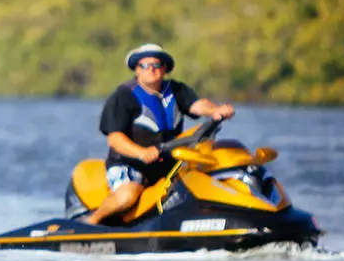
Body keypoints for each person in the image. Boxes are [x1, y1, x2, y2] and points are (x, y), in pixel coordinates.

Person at [84, 43, 235, 225]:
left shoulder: (177, 90)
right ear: (137, 70)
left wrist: (216, 110)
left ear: (164, 69)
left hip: (169, 162)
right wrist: (142, 153)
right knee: (127, 196)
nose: (152, 70)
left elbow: (197, 105)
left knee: (204, 178)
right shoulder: (124, 95)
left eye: (157, 65)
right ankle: (92, 222)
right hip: (131, 164)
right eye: (145, 66)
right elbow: (115, 138)